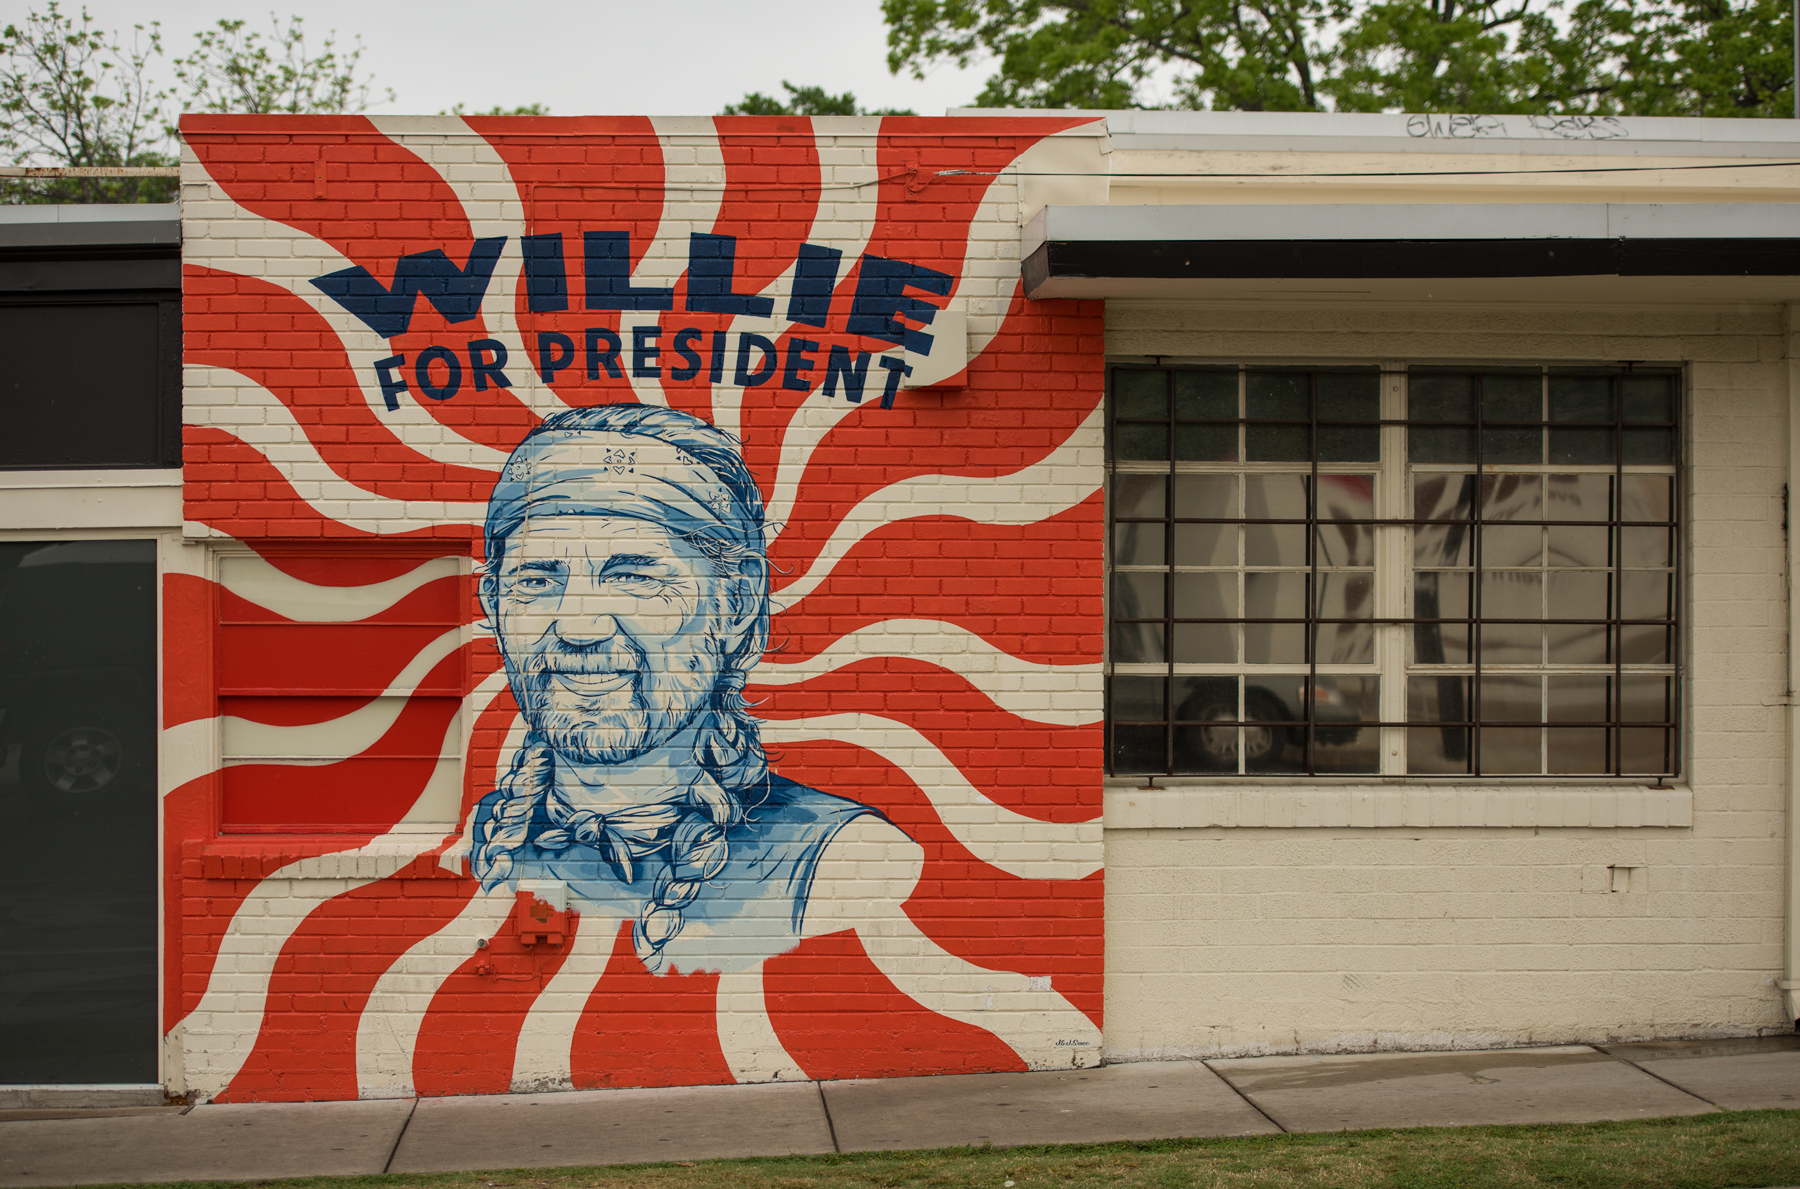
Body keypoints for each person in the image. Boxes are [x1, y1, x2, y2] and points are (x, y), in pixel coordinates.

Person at [469, 403, 881, 973]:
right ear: (494, 604)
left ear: (736, 602)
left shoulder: (839, 860)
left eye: (633, 576)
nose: (579, 627)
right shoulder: (481, 836)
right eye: (537, 581)